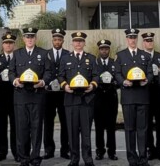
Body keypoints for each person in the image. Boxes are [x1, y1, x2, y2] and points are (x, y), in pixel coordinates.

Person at [9, 27, 53, 166]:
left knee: (36, 127)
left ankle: (35, 157)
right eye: (27, 37)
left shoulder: (44, 53)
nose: (29, 39)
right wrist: (15, 81)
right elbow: (11, 72)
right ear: (23, 39)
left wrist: (43, 81)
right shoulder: (17, 54)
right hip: (21, 96)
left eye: (32, 37)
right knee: (21, 128)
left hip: (37, 95)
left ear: (35, 39)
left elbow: (48, 72)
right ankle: (23, 157)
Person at [114, 28, 152, 166]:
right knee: (129, 129)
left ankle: (143, 158)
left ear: (137, 39)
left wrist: (147, 80)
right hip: (128, 97)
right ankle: (132, 158)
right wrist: (123, 81)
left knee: (143, 129)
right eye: (130, 37)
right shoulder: (120, 55)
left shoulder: (145, 55)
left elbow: (150, 73)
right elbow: (117, 73)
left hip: (142, 97)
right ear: (127, 39)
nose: (132, 40)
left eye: (134, 37)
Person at [61, 31, 98, 166]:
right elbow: (61, 76)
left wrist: (93, 86)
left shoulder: (91, 58)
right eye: (76, 41)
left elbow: (96, 76)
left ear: (84, 43)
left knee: (86, 132)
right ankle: (74, 158)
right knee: (72, 131)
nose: (78, 43)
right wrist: (64, 86)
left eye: (81, 41)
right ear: (72, 43)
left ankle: (88, 158)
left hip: (86, 100)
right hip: (70, 100)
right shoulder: (65, 58)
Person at [45, 28, 70, 159]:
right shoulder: (46, 54)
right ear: (52, 40)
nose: (57, 42)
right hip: (48, 94)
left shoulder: (68, 54)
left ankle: (65, 150)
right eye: (55, 39)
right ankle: (49, 150)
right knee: (48, 123)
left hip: (63, 93)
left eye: (59, 40)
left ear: (63, 41)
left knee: (65, 123)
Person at [142, 32, 160, 161]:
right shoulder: (141, 56)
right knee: (148, 124)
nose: (149, 42)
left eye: (151, 40)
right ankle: (150, 149)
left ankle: (159, 149)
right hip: (146, 94)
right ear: (143, 43)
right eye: (147, 40)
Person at [0, 32, 19, 162]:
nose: (8, 45)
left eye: (10, 43)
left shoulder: (19, 58)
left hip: (15, 95)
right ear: (2, 44)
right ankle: (1, 152)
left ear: (13, 45)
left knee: (16, 125)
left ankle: (16, 152)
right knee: (0, 125)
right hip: (0, 96)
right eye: (6, 43)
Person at [93, 39, 119, 161]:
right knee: (99, 127)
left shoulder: (115, 63)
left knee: (111, 127)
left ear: (109, 50)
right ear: (99, 50)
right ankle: (100, 151)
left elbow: (119, 79)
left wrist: (114, 82)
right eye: (102, 49)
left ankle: (112, 151)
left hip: (111, 98)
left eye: (106, 49)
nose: (104, 51)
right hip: (98, 98)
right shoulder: (94, 63)